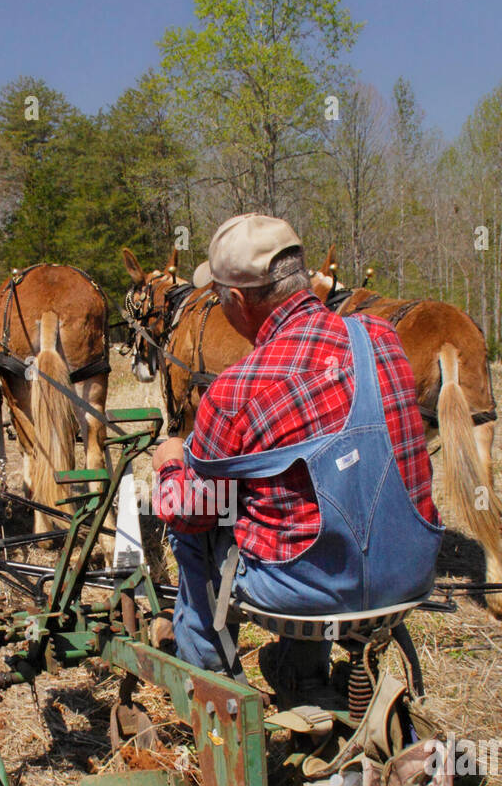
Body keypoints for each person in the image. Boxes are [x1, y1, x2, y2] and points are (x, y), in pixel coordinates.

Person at [151, 213, 443, 682]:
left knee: (197, 518)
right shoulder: (381, 338)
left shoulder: (234, 390)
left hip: (305, 596)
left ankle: (206, 668)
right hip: (411, 575)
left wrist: (168, 465)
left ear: (239, 301)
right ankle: (299, 669)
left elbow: (190, 509)